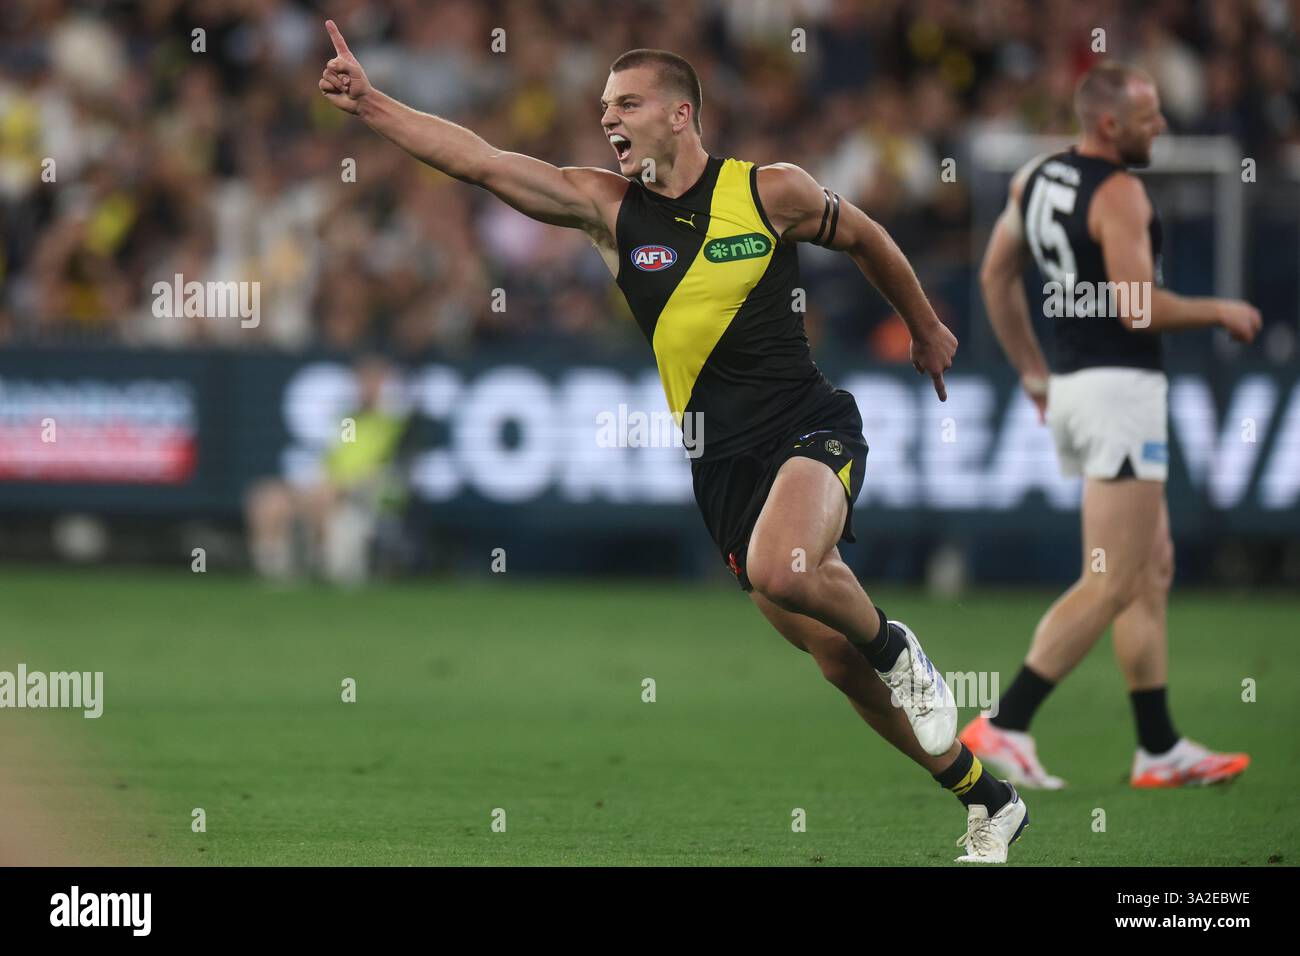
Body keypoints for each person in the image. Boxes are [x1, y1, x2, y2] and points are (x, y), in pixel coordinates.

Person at [319, 20, 1026, 861]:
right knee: (836, 664)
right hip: (722, 472)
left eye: (627, 103)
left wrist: (924, 325)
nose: (608, 118)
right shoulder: (608, 211)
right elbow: (479, 160)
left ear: (681, 115)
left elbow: (868, 236)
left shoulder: (772, 192)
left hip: (810, 426)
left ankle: (898, 646)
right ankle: (987, 798)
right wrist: (371, 105)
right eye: (602, 107)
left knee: (787, 568)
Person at [969, 63, 1260, 790]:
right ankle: (1004, 723)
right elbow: (1137, 308)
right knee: (1111, 578)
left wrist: (1033, 373)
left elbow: (994, 276)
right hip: (1121, 392)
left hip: (1073, 386)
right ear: (1109, 124)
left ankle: (1158, 748)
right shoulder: (1120, 191)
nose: (1161, 127)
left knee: (1147, 569)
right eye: (1149, 117)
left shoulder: (1036, 176)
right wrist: (1217, 309)